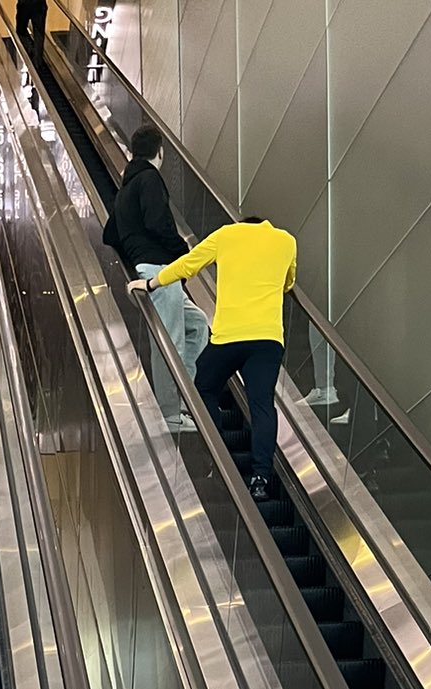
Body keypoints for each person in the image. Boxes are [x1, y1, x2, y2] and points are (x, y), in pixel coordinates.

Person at [130, 214, 297, 498]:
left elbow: (187, 264)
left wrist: (150, 284)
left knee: (203, 388)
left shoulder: (226, 235)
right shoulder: (286, 240)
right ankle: (260, 478)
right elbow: (288, 283)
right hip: (267, 340)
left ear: (240, 224)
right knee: (261, 406)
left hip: (228, 338)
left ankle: (219, 460)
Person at [102, 124, 209, 432]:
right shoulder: (149, 179)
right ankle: (170, 415)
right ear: (160, 152)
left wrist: (133, 248)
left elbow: (111, 232)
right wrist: (183, 251)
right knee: (170, 342)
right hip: (159, 271)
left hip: (149, 270)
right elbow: (158, 222)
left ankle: (184, 401)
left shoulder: (126, 190)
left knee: (197, 325)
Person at [15, 0, 47, 66]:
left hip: (24, 4)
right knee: (39, 34)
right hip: (39, 4)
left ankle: (29, 49)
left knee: (21, 30)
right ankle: (37, 62)